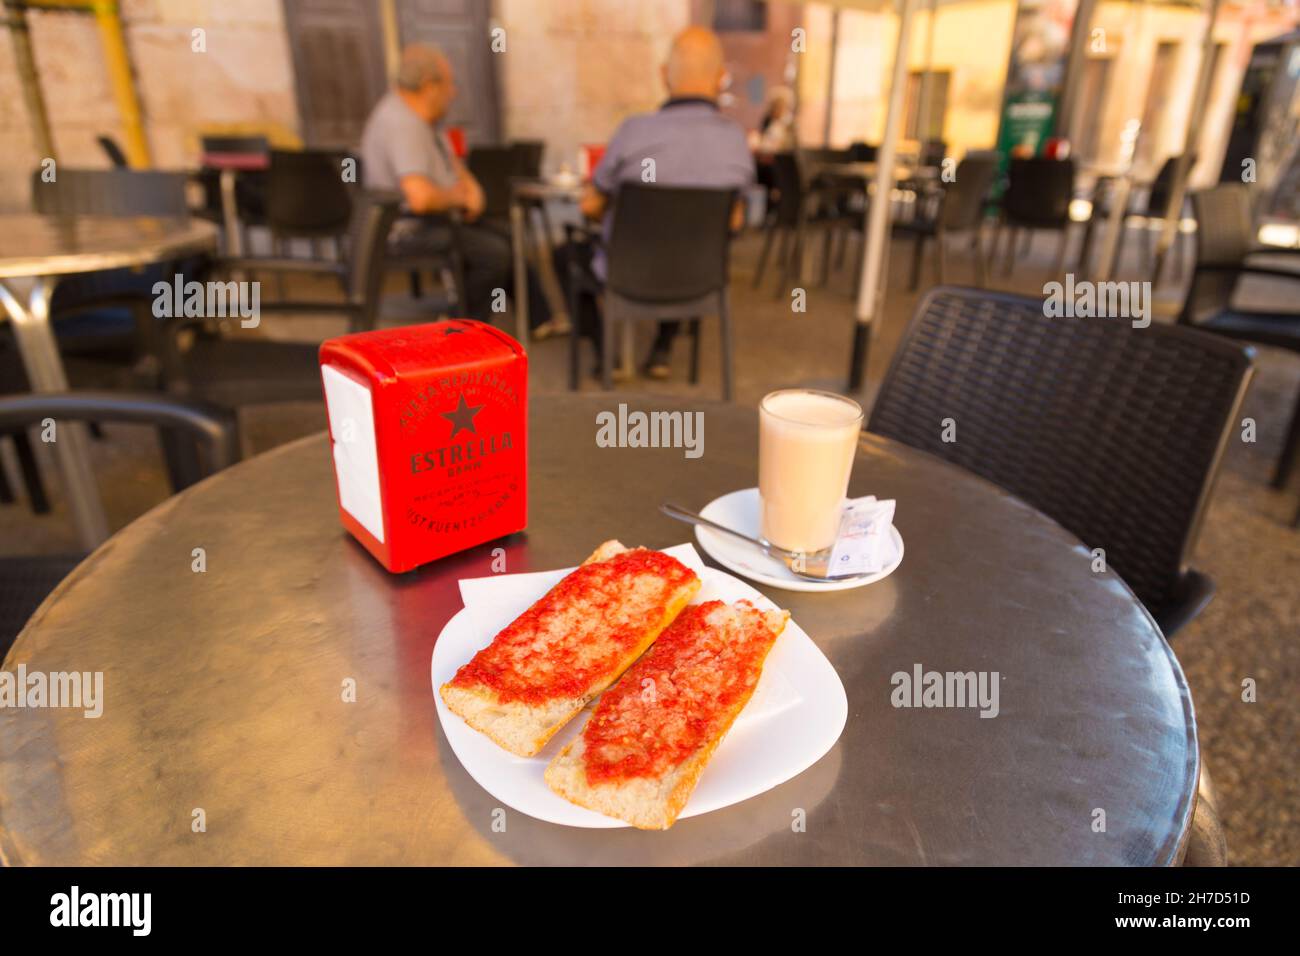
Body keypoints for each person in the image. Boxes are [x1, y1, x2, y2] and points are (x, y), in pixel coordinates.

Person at [557, 26, 755, 379]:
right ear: (721, 78)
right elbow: (734, 222)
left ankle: (608, 356)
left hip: (627, 274)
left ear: (664, 76)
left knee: (565, 253)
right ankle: (661, 350)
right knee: (689, 242)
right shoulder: (737, 143)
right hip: (700, 278)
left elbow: (589, 207)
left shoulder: (633, 131)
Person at [360, 44, 557, 335]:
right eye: (449, 84)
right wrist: (461, 197)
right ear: (429, 86)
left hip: (435, 219)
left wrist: (470, 188)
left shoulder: (424, 122)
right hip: (407, 229)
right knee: (493, 253)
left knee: (505, 235)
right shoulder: (403, 125)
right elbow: (421, 198)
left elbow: (452, 165)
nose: (453, 93)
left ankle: (538, 320)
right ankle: (458, 332)